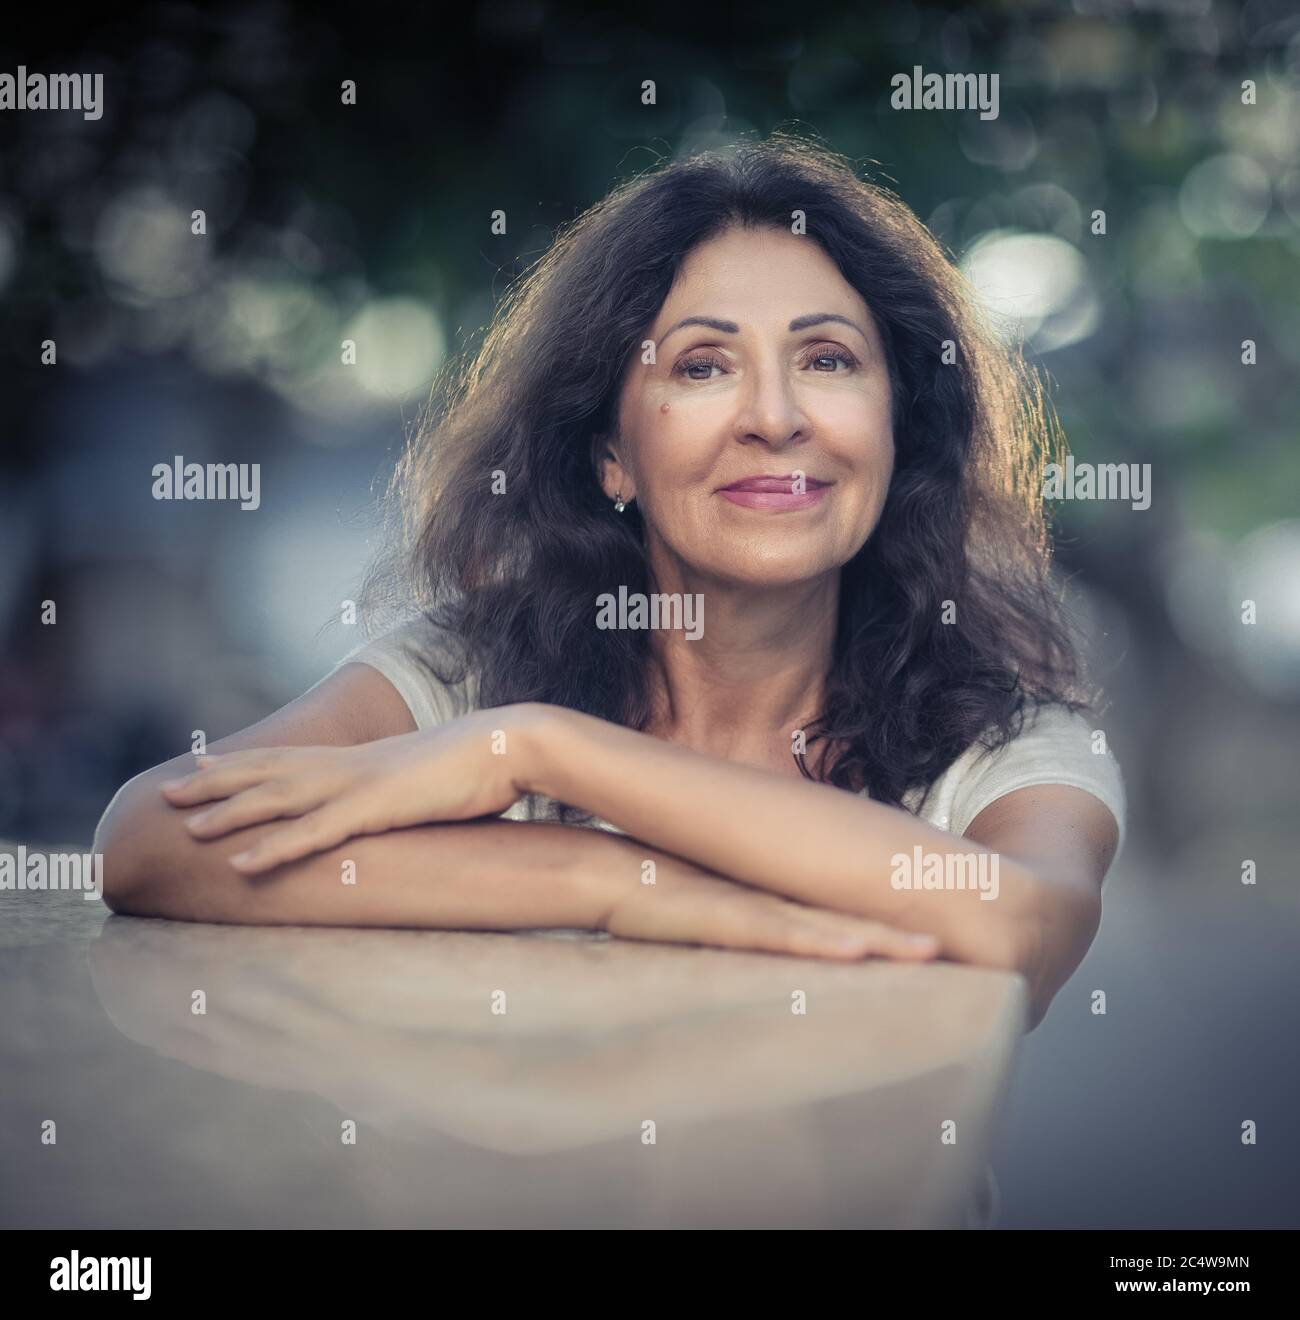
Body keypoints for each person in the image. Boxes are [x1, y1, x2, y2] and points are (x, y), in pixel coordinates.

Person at [95, 133, 1125, 1031]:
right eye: (701, 367)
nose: (774, 415)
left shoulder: (1002, 742)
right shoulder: (464, 677)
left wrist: (548, 753)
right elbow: (151, 841)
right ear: (609, 457)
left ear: (897, 430)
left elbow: (1016, 922)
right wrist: (612, 880)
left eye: (826, 359)